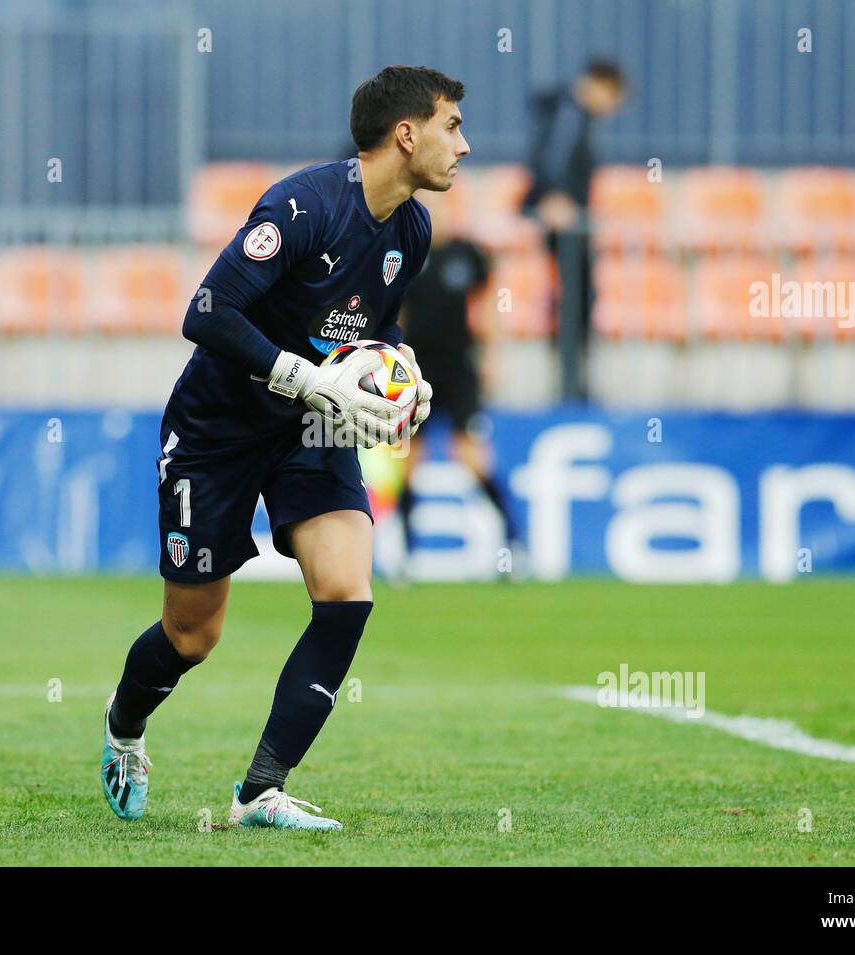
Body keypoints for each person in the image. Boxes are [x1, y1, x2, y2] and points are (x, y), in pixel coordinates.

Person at [100, 66, 469, 831]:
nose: (463, 145)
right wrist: (302, 376)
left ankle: (259, 793)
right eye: (453, 126)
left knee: (347, 594)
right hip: (219, 429)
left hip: (312, 427)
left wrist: (403, 377)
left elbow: (378, 329)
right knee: (192, 635)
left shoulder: (412, 230)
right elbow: (207, 312)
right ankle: (124, 728)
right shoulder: (304, 205)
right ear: (407, 133)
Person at [396, 223, 521, 563]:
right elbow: (399, 310)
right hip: (416, 368)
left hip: (458, 368)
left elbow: (490, 299)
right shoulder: (407, 250)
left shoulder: (467, 253)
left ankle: (512, 537)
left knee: (470, 454)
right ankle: (406, 552)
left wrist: (493, 354)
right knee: (409, 458)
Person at [521, 58, 628, 399]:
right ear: (601, 86)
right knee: (574, 297)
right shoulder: (571, 113)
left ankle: (574, 380)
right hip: (562, 224)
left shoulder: (573, 114)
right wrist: (554, 197)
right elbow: (552, 159)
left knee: (579, 296)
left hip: (571, 223)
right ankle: (570, 385)